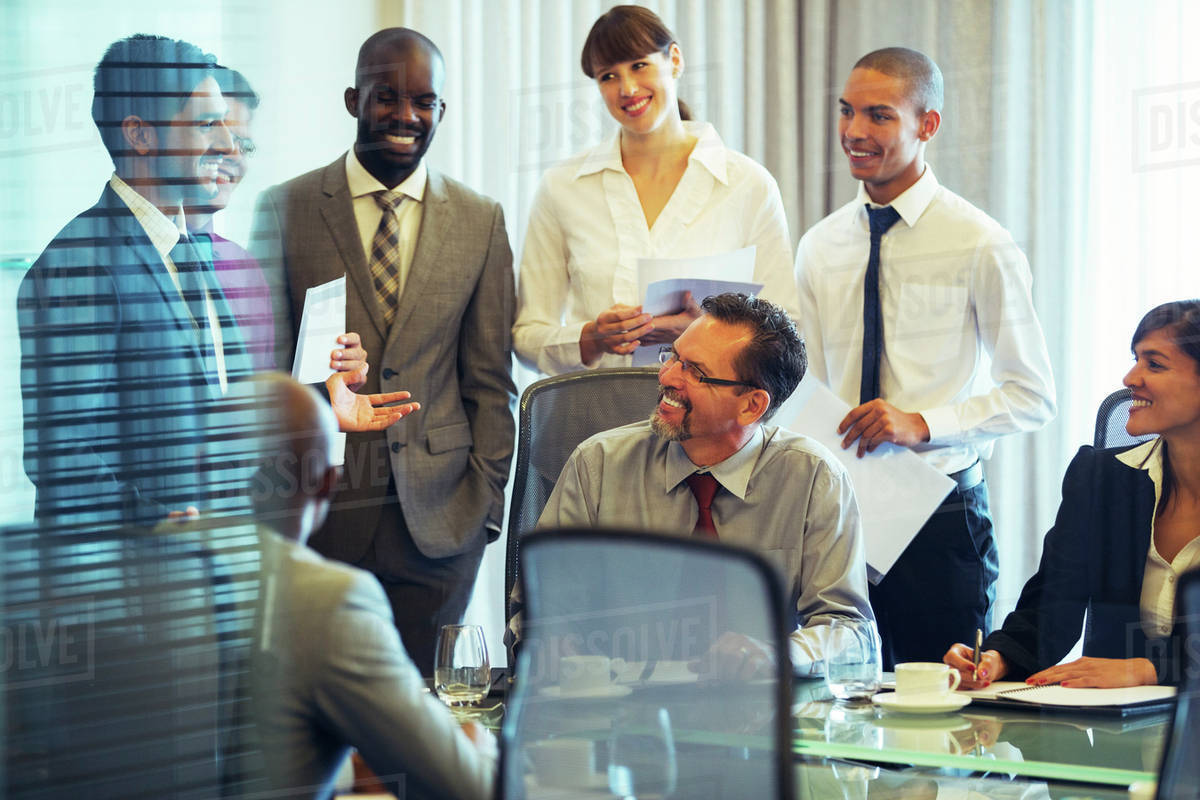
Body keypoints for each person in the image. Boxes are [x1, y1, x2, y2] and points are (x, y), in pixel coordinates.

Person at [17, 35, 405, 531]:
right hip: (134, 579)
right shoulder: (77, 264)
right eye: (206, 124)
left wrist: (324, 408)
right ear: (140, 135)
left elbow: (223, 416)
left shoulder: (195, 249)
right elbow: (59, 458)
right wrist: (164, 523)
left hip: (219, 565)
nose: (227, 143)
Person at [250, 28, 517, 673]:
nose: (405, 116)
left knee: (426, 721)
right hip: (323, 515)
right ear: (353, 100)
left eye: (423, 101)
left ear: (441, 112)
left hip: (442, 523)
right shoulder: (284, 208)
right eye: (386, 97)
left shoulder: (481, 220)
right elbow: (265, 380)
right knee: (322, 715)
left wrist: (484, 503)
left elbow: (489, 379)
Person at [793, 47, 1056, 667]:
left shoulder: (980, 242)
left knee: (943, 732)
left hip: (940, 517)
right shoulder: (819, 245)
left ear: (927, 125)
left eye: (879, 115)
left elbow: (1034, 394)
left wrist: (923, 422)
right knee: (833, 712)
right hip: (834, 516)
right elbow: (805, 381)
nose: (855, 132)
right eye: (847, 112)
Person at [533, 293, 873, 675]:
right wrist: (548, 643)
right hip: (623, 703)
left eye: (695, 371)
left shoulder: (814, 478)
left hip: (757, 711)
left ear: (751, 406)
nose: (667, 377)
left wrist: (777, 654)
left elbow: (850, 630)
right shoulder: (597, 464)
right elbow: (541, 608)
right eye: (673, 356)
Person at [512, 4, 800, 376]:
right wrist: (592, 338)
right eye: (608, 76)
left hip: (713, 423)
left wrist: (710, 334)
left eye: (639, 65)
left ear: (674, 59)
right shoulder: (562, 188)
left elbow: (787, 332)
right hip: (597, 417)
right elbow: (527, 337)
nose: (627, 88)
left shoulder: (748, 184)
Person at [247, 374, 494, 800]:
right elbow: (468, 788)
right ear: (330, 482)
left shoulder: (139, 575)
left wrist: (345, 768)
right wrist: (479, 747)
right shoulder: (328, 603)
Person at [945, 301, 1200, 689]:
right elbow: (1051, 606)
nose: (1130, 377)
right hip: (1124, 736)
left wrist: (1147, 670)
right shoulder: (1102, 479)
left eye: (1155, 364)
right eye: (1135, 360)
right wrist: (997, 658)